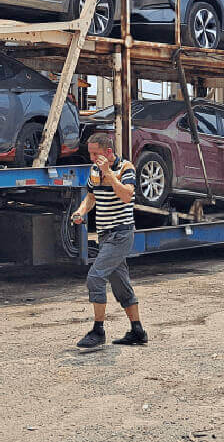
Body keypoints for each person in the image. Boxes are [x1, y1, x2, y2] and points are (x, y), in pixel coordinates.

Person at [70, 131, 148, 348]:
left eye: (96, 154)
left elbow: (126, 195)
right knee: (121, 283)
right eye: (91, 154)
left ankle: (98, 331)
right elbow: (91, 196)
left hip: (121, 233)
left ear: (108, 151)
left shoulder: (126, 168)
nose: (93, 159)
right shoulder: (94, 170)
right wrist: (80, 212)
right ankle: (138, 331)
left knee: (95, 277)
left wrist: (110, 174)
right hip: (105, 234)